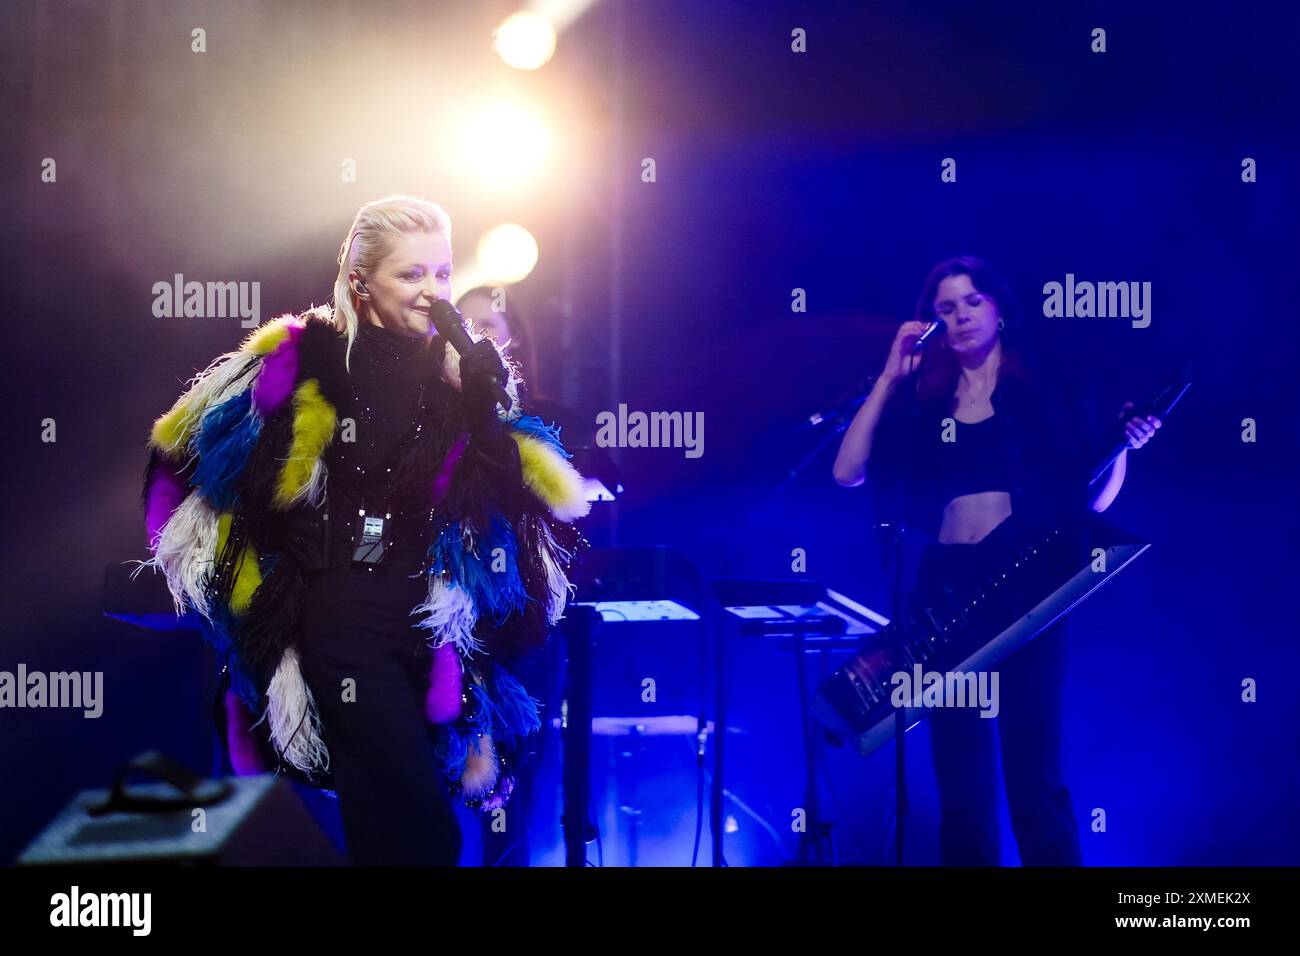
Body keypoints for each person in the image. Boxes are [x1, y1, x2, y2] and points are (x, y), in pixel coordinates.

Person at [139, 195, 590, 865]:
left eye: (441, 273)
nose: (433, 291)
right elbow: (179, 448)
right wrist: (267, 543)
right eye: (412, 275)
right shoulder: (306, 357)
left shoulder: (454, 374)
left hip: (426, 631)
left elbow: (509, 491)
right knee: (426, 833)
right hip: (341, 622)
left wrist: (484, 410)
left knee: (386, 832)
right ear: (360, 281)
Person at [832, 255, 1161, 866]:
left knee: (1033, 775)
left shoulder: (1039, 392)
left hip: (1024, 587)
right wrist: (888, 378)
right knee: (963, 788)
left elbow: (1087, 496)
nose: (959, 318)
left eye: (971, 303)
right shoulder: (923, 403)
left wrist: (1124, 450)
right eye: (945, 310)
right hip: (949, 597)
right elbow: (847, 471)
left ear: (999, 307)